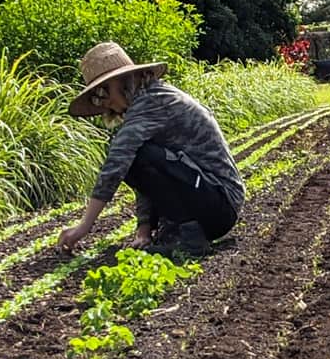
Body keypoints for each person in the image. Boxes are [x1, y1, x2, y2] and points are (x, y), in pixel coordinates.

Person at [57, 42, 244, 254]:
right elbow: (147, 178)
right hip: (209, 202)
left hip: (220, 205)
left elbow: (117, 164)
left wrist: (84, 226)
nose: (103, 102)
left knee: (136, 156)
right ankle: (176, 230)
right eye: (96, 97)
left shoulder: (154, 102)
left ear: (124, 81)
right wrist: (143, 228)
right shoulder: (147, 101)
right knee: (138, 157)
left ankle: (189, 239)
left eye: (103, 92)